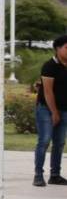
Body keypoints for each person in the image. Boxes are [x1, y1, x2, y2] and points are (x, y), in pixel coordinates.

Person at [32, 33, 67, 187]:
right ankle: (38, 175)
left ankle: (55, 175)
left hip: (64, 108)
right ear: (57, 49)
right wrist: (54, 112)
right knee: (45, 140)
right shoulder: (49, 66)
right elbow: (48, 92)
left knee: (59, 143)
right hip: (46, 108)